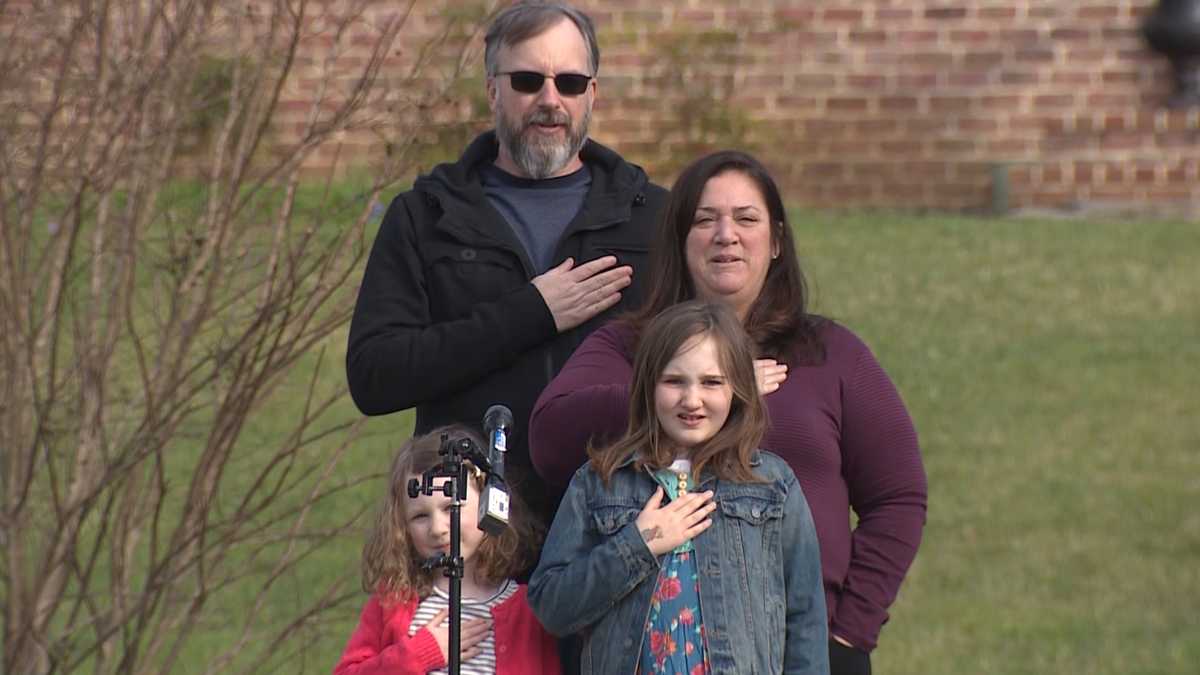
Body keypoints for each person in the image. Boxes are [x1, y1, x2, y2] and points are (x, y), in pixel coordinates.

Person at [529, 150, 927, 675]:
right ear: (678, 239)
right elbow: (549, 438)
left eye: (746, 218)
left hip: (806, 645)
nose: (726, 234)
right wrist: (670, 390)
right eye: (704, 220)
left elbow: (899, 496)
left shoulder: (830, 353)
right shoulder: (628, 346)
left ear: (777, 240)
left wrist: (850, 630)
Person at [345, 1, 667, 527]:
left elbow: (705, 356)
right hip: (471, 541)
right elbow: (375, 376)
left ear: (593, 94)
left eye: (569, 81)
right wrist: (531, 313)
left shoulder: (653, 217)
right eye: (526, 81)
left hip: (620, 529)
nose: (549, 100)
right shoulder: (427, 216)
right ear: (493, 90)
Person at [528, 301, 829, 674]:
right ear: (647, 386)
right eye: (674, 381)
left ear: (737, 388)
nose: (692, 399)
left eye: (711, 382)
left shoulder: (771, 484)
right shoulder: (599, 482)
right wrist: (638, 544)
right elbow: (552, 608)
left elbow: (805, 620)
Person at [333, 425, 560, 675]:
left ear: (486, 503)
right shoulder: (394, 599)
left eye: (451, 508)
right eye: (420, 516)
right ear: (402, 526)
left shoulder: (528, 609)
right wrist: (418, 654)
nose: (437, 528)